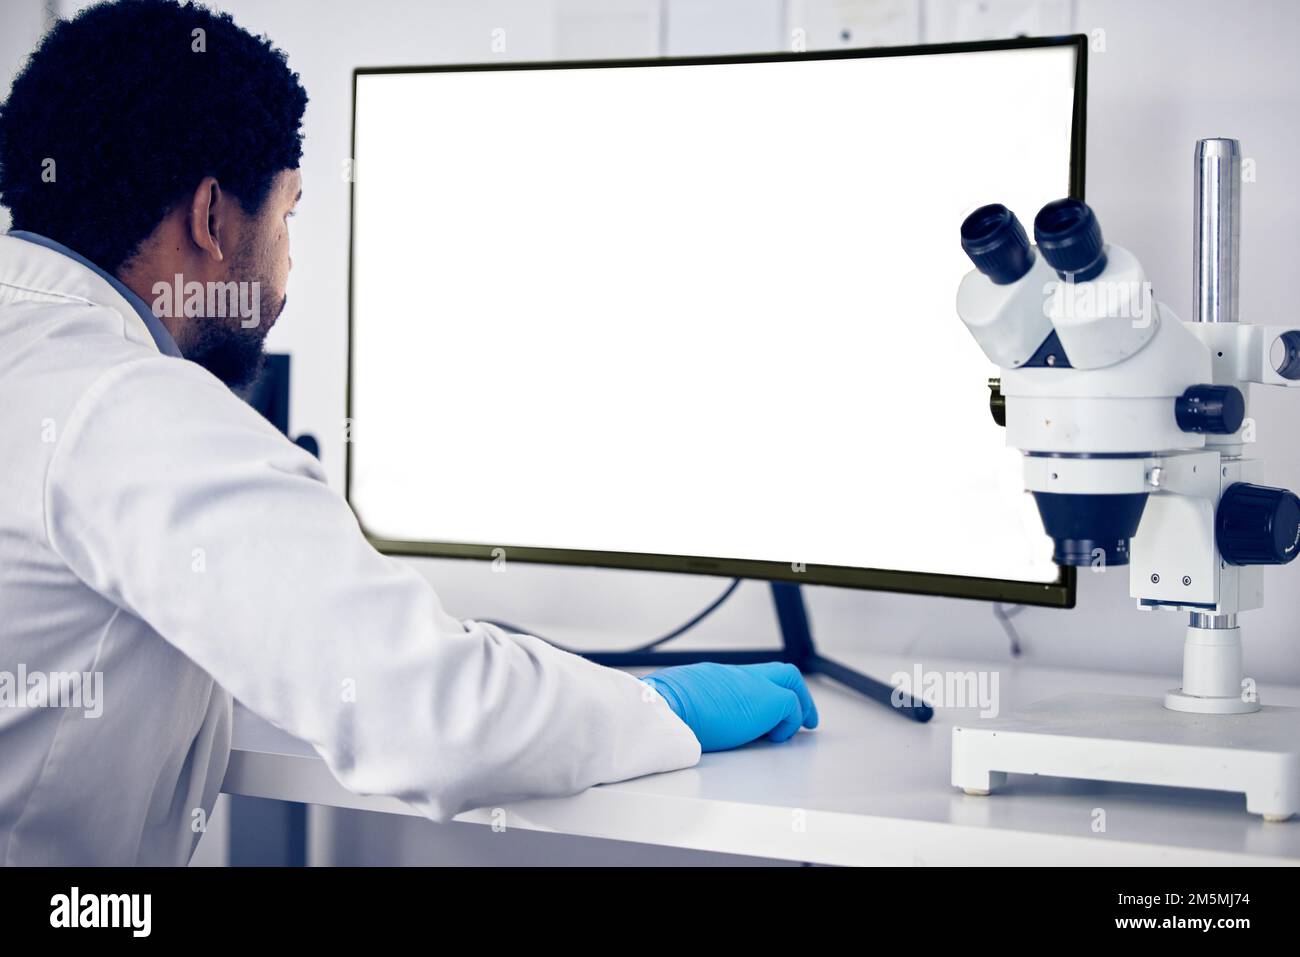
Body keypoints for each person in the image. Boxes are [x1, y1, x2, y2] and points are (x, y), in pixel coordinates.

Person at [0, 0, 818, 865]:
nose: (286, 265)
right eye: (287, 217)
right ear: (211, 217)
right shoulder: (130, 405)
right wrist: (658, 707)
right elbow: (436, 715)